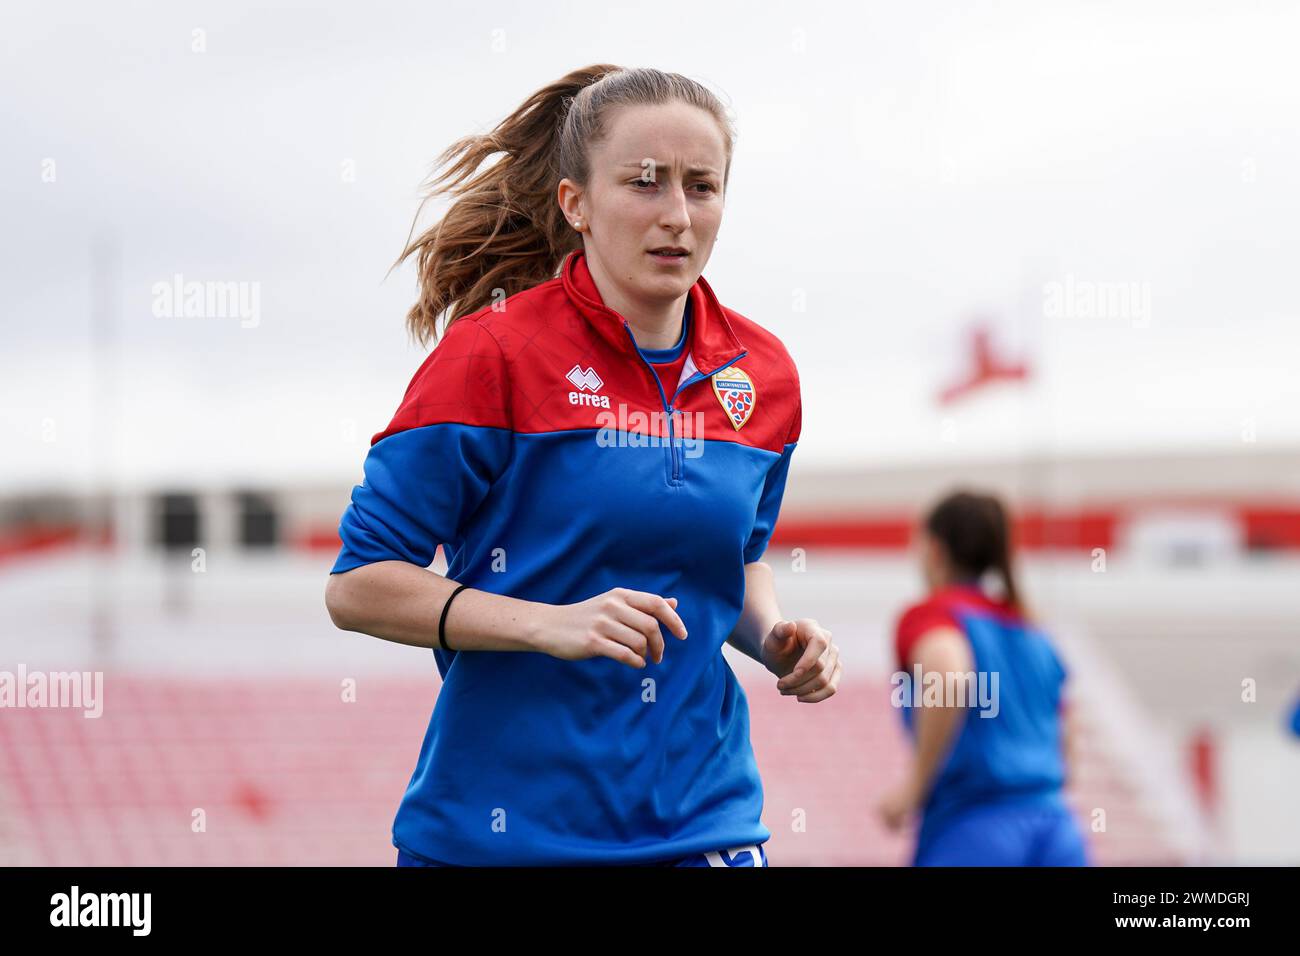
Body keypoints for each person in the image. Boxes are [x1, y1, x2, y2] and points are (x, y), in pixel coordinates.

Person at [324, 64, 840, 867]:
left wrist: (775, 635)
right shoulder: (492, 354)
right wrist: (548, 623)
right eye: (645, 183)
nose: (676, 215)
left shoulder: (763, 372)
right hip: (496, 839)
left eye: (702, 187)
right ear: (577, 204)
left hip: (703, 830)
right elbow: (357, 586)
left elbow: (736, 564)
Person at [877, 490, 1088, 866]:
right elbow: (1065, 736)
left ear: (935, 550)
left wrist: (914, 788)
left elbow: (949, 676)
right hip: (1057, 830)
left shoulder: (932, 616)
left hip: (975, 831)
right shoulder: (1033, 632)